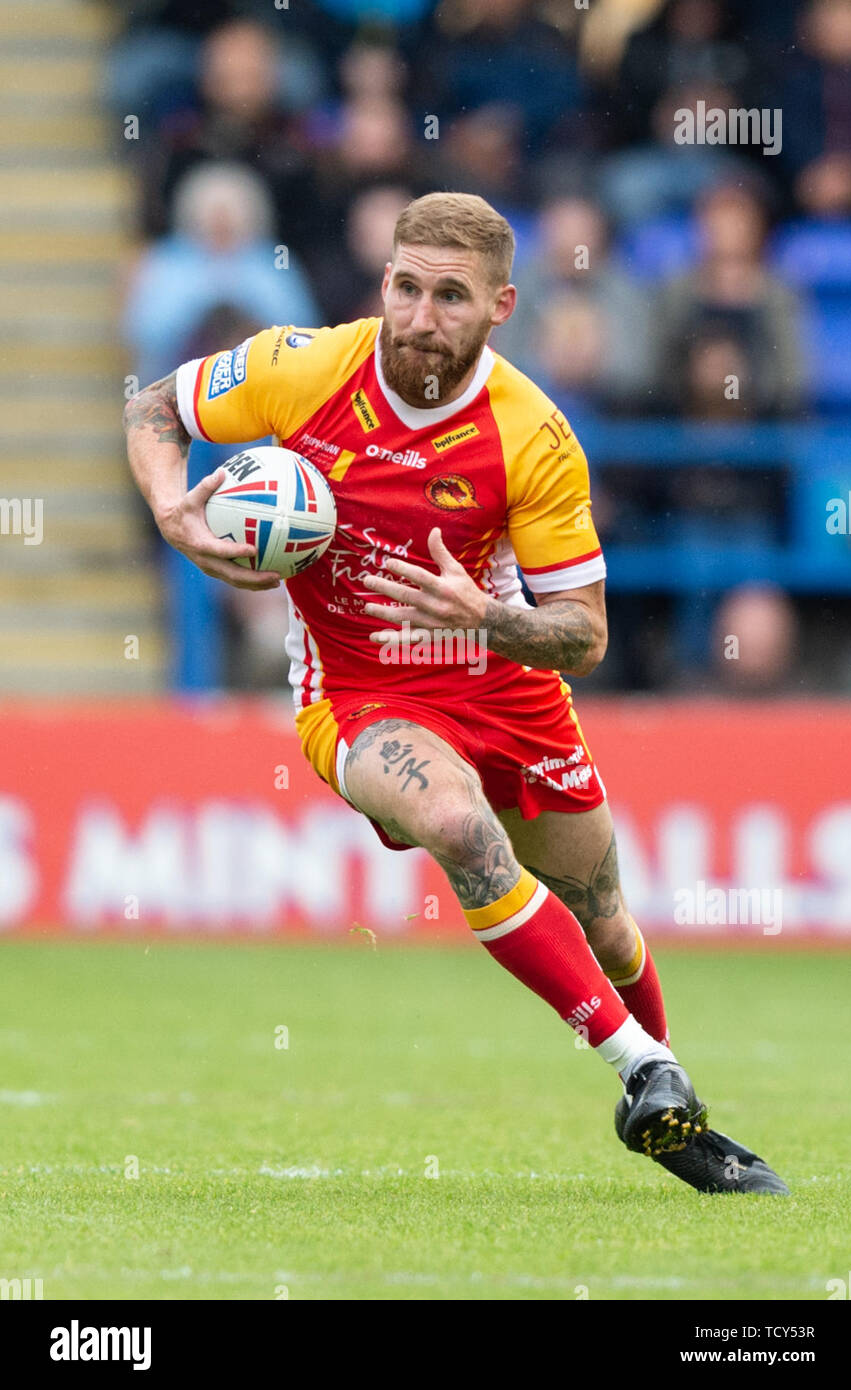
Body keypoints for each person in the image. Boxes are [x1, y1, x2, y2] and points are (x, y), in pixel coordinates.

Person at [123, 191, 788, 1195]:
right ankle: (641, 1068)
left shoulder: (531, 432)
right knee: (456, 825)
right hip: (357, 691)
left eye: (449, 296)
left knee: (603, 914)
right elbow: (153, 410)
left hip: (506, 680)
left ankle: (669, 1100)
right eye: (405, 287)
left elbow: (586, 633)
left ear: (499, 306)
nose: (420, 316)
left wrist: (484, 615)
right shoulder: (300, 369)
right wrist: (175, 512)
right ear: (382, 281)